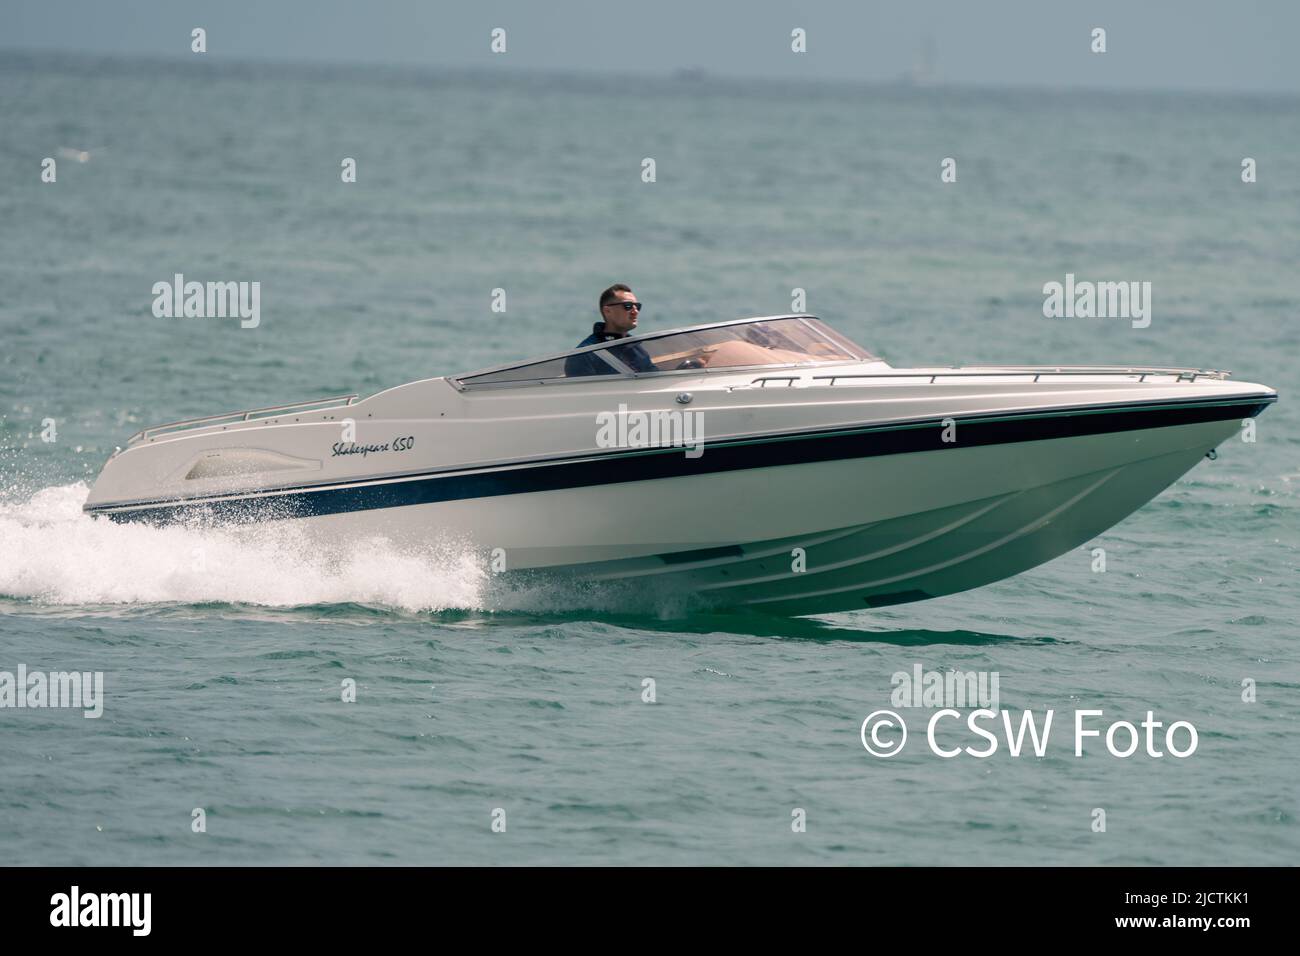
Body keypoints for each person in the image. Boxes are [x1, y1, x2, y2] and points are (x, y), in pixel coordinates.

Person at [565, 284, 656, 376]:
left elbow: (656, 381)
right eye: (628, 306)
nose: (635, 311)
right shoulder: (583, 355)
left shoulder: (637, 349)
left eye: (637, 306)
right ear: (607, 311)